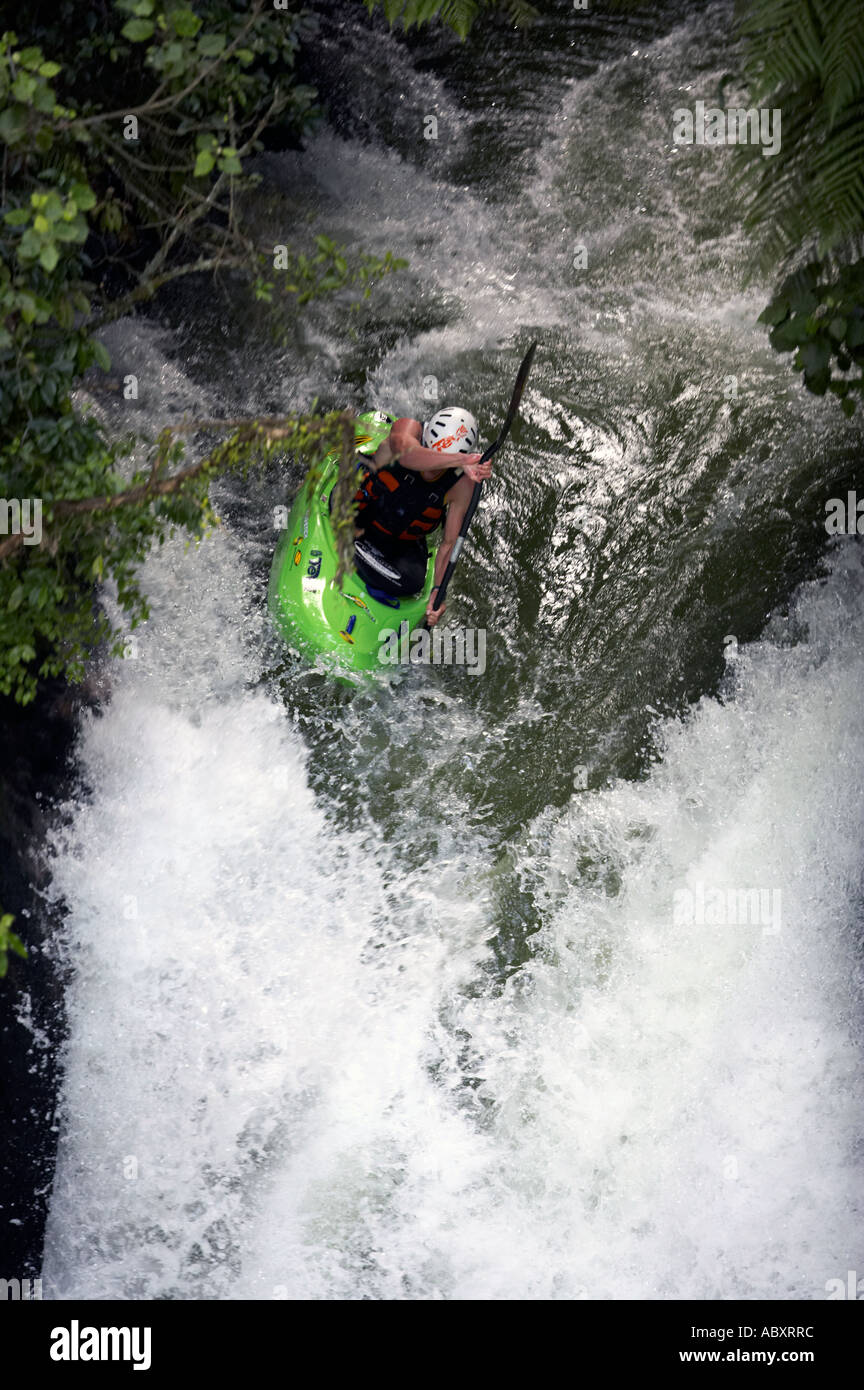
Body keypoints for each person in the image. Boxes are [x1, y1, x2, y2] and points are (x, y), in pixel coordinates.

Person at [352, 406, 490, 627]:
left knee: (414, 582)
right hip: (358, 512)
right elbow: (407, 455)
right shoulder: (408, 430)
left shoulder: (463, 485)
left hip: (398, 542)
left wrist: (438, 592)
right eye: (431, 449)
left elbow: (448, 544)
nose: (431, 473)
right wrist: (460, 460)